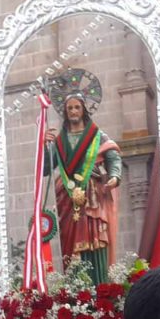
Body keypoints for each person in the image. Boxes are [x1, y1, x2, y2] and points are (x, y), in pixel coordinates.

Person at [44, 91, 122, 285]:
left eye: (77, 107)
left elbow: (113, 156)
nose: (73, 111)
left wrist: (114, 176)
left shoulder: (97, 136)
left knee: (95, 239)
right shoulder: (59, 141)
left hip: (93, 194)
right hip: (67, 197)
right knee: (70, 244)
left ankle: (100, 286)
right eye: (69, 108)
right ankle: (75, 289)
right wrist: (44, 146)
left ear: (84, 110)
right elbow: (46, 168)